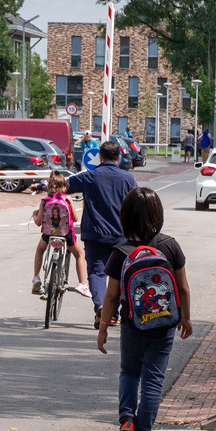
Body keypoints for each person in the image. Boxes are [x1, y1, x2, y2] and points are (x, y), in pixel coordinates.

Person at [96, 187, 192, 431]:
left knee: (129, 373)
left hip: (132, 326)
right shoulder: (170, 245)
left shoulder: (120, 251)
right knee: (153, 381)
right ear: (158, 214)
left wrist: (103, 328)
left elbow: (112, 295)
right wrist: (185, 317)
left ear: (124, 217)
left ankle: (126, 419)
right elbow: (183, 288)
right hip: (163, 326)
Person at [66, 139, 138, 327]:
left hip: (96, 235)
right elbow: (137, 203)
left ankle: (100, 307)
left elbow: (64, 186)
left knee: (97, 274)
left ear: (100, 157)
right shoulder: (128, 179)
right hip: (122, 237)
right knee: (122, 274)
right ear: (119, 157)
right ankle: (113, 313)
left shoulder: (89, 176)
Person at [31, 172, 91, 298]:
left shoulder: (44, 201)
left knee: (39, 250)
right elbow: (74, 219)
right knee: (79, 254)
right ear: (64, 186)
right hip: (67, 235)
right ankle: (82, 284)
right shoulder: (67, 199)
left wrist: (35, 214)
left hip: (48, 234)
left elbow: (38, 222)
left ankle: (36, 278)